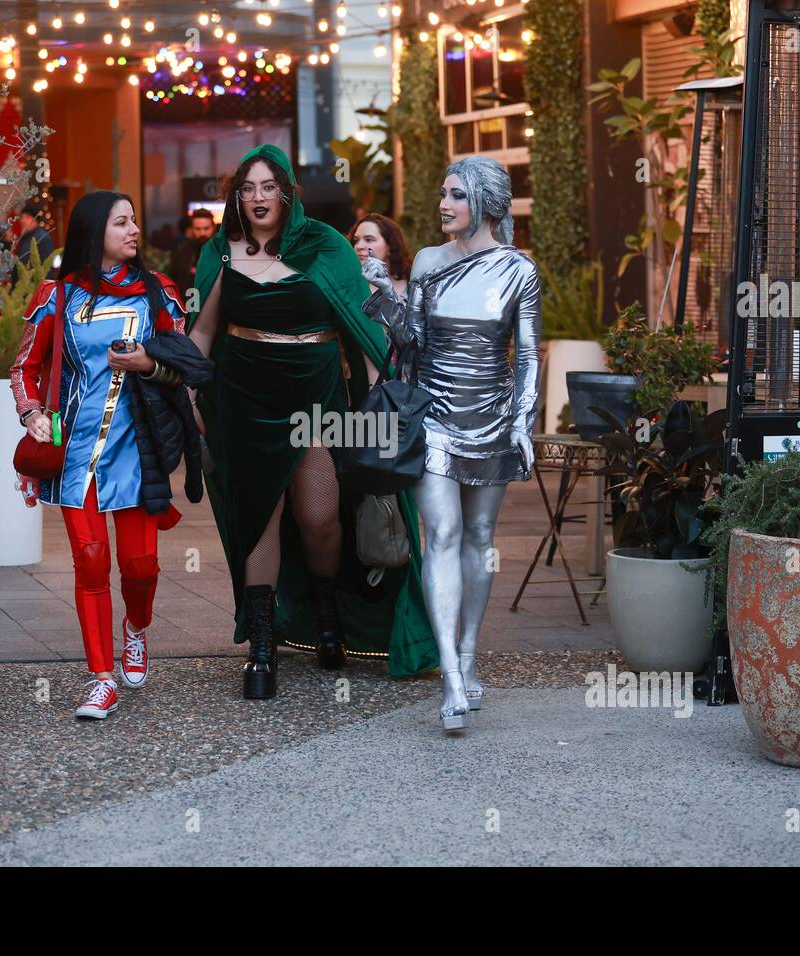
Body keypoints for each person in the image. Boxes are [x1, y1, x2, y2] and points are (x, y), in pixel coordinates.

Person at [186, 144, 436, 699]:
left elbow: (361, 320)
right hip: (245, 400)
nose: (256, 198)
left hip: (317, 398)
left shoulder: (324, 244)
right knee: (260, 520)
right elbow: (202, 332)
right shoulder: (221, 252)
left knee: (320, 517)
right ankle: (261, 648)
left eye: (267, 187)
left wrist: (379, 400)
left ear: (287, 192)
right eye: (246, 188)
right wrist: (188, 391)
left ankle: (328, 614)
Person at [361, 156, 540, 732]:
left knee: (480, 536)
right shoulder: (431, 263)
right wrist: (382, 297)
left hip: (491, 417)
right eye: (442, 193)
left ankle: (467, 652)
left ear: (484, 202)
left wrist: (522, 423)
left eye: (456, 195)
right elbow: (409, 343)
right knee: (441, 533)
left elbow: (530, 356)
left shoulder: (519, 270)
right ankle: (451, 676)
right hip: (432, 416)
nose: (444, 204)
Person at [10, 190, 195, 720]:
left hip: (139, 451)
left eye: (135, 220)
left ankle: (136, 629)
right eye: (122, 222)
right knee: (91, 561)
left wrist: (147, 366)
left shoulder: (159, 293)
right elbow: (24, 366)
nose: (134, 230)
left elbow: (183, 369)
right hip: (76, 453)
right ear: (95, 232)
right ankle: (100, 677)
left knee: (140, 565)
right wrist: (31, 415)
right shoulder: (58, 295)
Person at [349, 213, 411, 301]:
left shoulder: (413, 282)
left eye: (369, 239)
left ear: (390, 245)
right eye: (356, 240)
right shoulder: (348, 286)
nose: (359, 246)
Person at [168, 208, 217, 290]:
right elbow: (173, 282)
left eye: (206, 228)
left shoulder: (222, 251)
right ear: (192, 229)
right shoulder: (181, 252)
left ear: (213, 228)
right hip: (188, 300)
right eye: (198, 229)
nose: (202, 233)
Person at [11, 199, 56, 284]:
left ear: (35, 219)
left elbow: (47, 268)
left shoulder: (42, 238)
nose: (23, 221)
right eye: (22, 217)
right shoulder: (26, 238)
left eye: (27, 217)